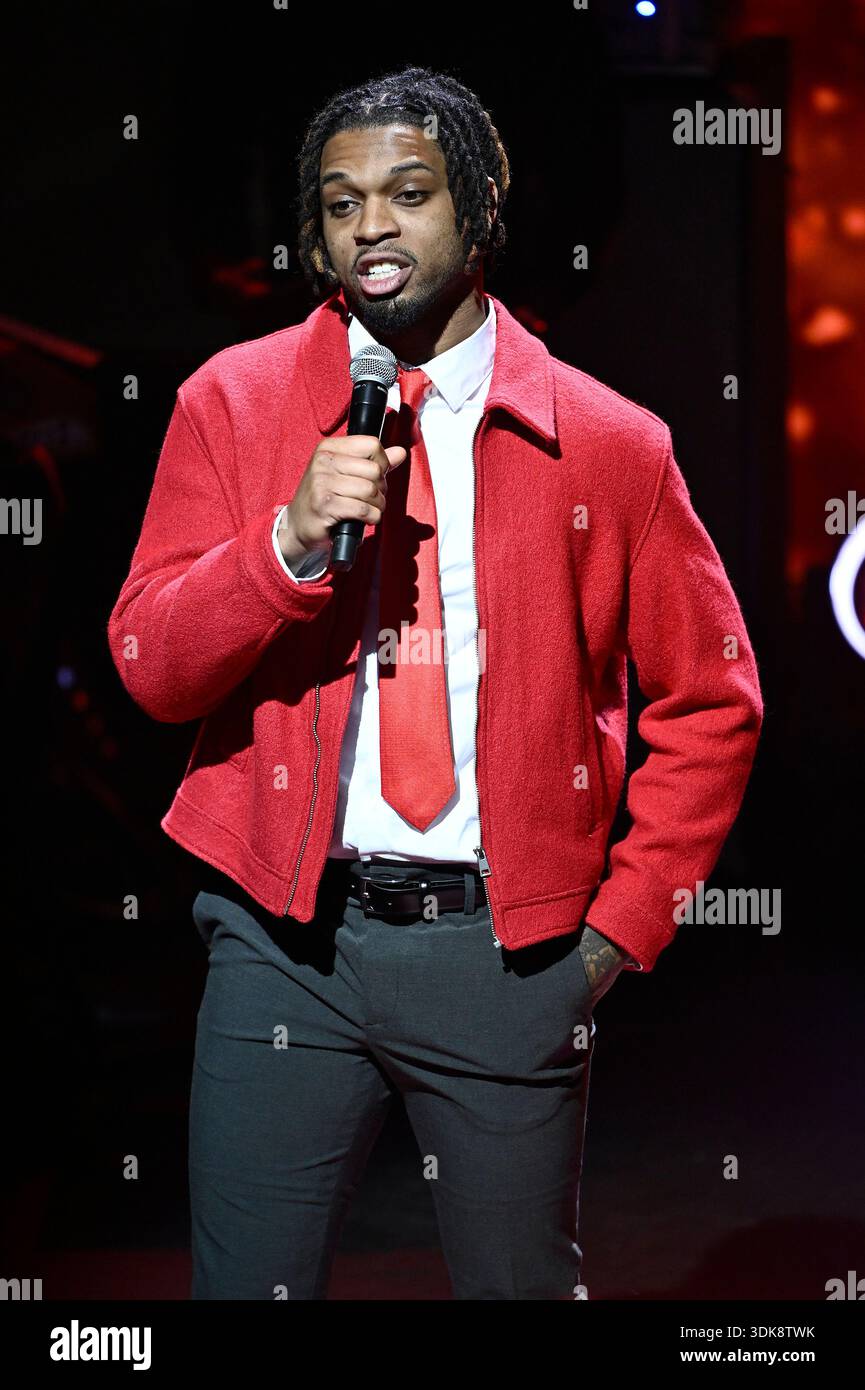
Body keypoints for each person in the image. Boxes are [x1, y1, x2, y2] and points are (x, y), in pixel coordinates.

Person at [107, 65, 763, 1300]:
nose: (373, 226)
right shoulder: (234, 404)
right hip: (280, 945)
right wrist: (285, 542)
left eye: (408, 193)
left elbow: (712, 698)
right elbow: (151, 665)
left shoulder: (607, 440)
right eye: (343, 202)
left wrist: (619, 931)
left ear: (480, 205)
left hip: (504, 961)